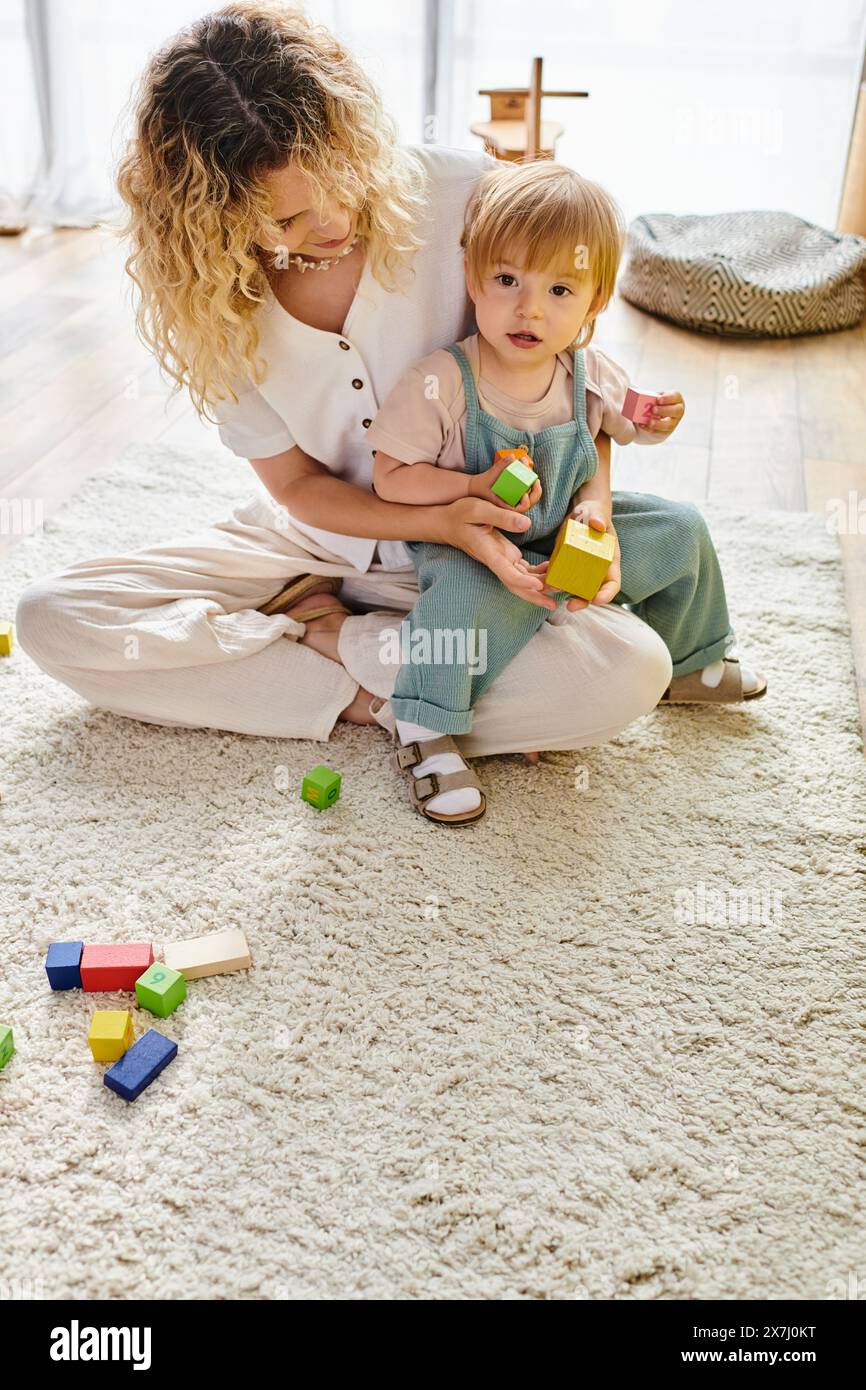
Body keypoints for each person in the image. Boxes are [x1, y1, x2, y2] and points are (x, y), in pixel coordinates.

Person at [14, 2, 761, 773]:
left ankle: (345, 651)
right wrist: (437, 522)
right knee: (55, 619)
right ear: (217, 218)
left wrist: (588, 510)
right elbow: (300, 486)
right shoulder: (212, 299)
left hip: (491, 554)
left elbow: (575, 379)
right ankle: (375, 697)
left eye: (341, 178)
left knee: (629, 673)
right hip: (315, 543)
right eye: (292, 217)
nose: (336, 218)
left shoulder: (468, 196)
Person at [370, 160, 762, 824]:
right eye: (506, 280)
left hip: (568, 537)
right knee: (463, 602)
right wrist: (469, 484)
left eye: (559, 289)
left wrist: (656, 421)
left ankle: (692, 663)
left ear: (596, 300)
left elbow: (627, 422)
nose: (529, 308)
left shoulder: (589, 372)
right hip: (473, 546)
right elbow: (391, 476)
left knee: (680, 528)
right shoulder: (443, 379)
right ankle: (425, 727)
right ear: (472, 278)